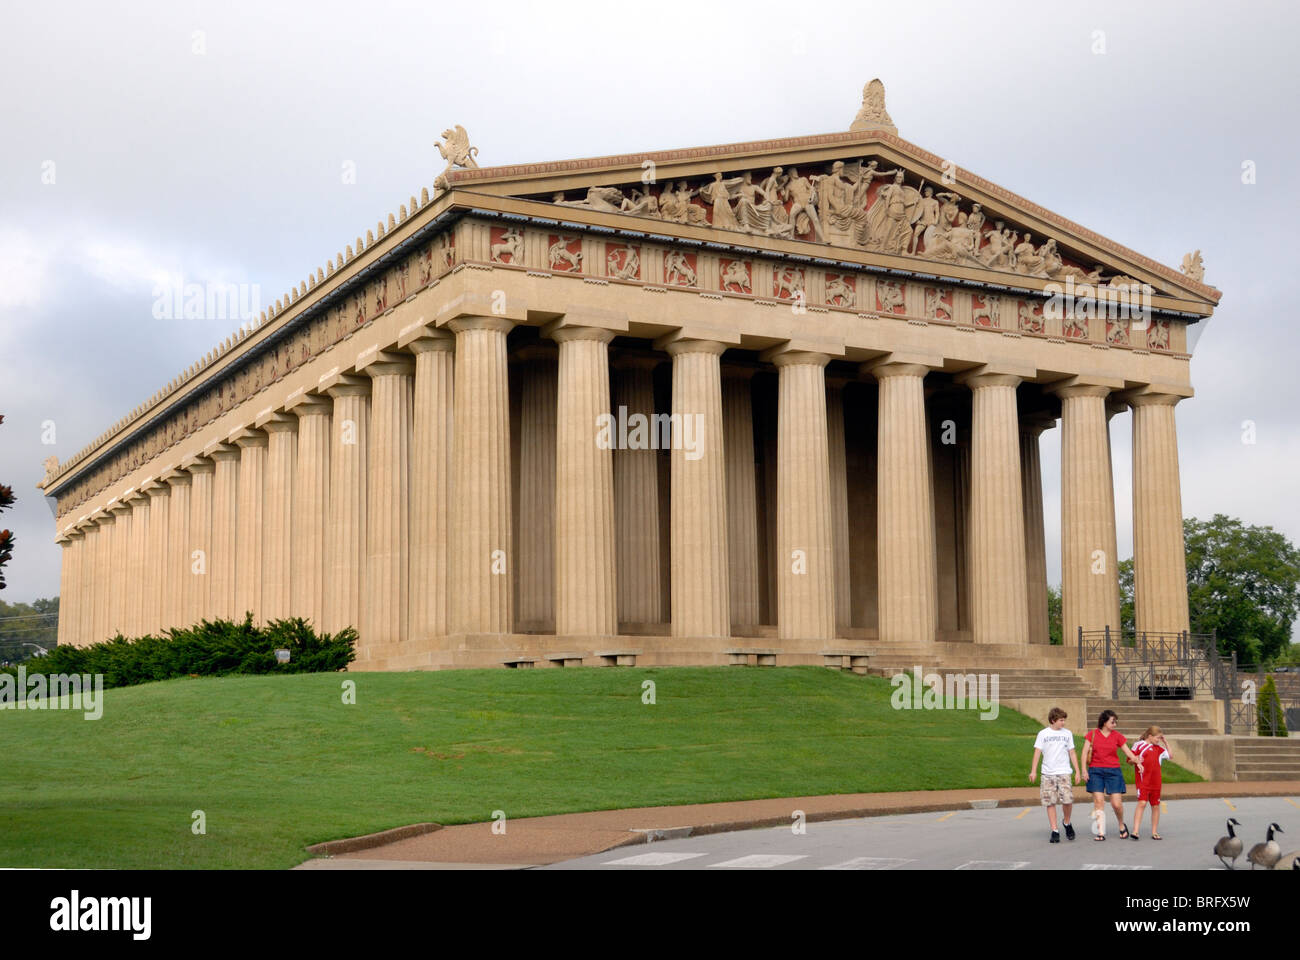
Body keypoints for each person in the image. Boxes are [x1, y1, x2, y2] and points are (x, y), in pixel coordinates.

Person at [1080, 710, 1144, 840]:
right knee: (1099, 801)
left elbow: (1128, 752)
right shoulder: (1092, 734)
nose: (1114, 724)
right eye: (1112, 722)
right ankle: (1101, 832)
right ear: (1104, 722)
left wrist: (1137, 761)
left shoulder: (1117, 736)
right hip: (1095, 771)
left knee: (1116, 804)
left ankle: (1121, 824)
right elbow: (1084, 752)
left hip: (1113, 772)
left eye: (1115, 722)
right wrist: (1083, 770)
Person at [1029, 706, 1081, 843]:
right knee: (1050, 802)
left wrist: (1077, 771)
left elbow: (1072, 752)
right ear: (1053, 720)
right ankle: (1054, 830)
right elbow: (1037, 753)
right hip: (1048, 773)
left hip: (1064, 771)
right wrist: (1033, 771)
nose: (1063, 723)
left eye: (1064, 720)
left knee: (1068, 800)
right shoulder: (1043, 734)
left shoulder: (1067, 734)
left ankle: (1067, 822)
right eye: (1061, 720)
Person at [1129, 726, 1171, 840]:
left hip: (1156, 782)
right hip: (1143, 781)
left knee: (1155, 806)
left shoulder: (1159, 748)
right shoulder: (1139, 745)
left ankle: (1154, 832)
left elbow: (1170, 756)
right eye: (1157, 738)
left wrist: (1166, 743)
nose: (1158, 740)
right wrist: (1136, 760)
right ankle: (1135, 831)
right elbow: (1129, 759)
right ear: (1150, 736)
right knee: (1142, 803)